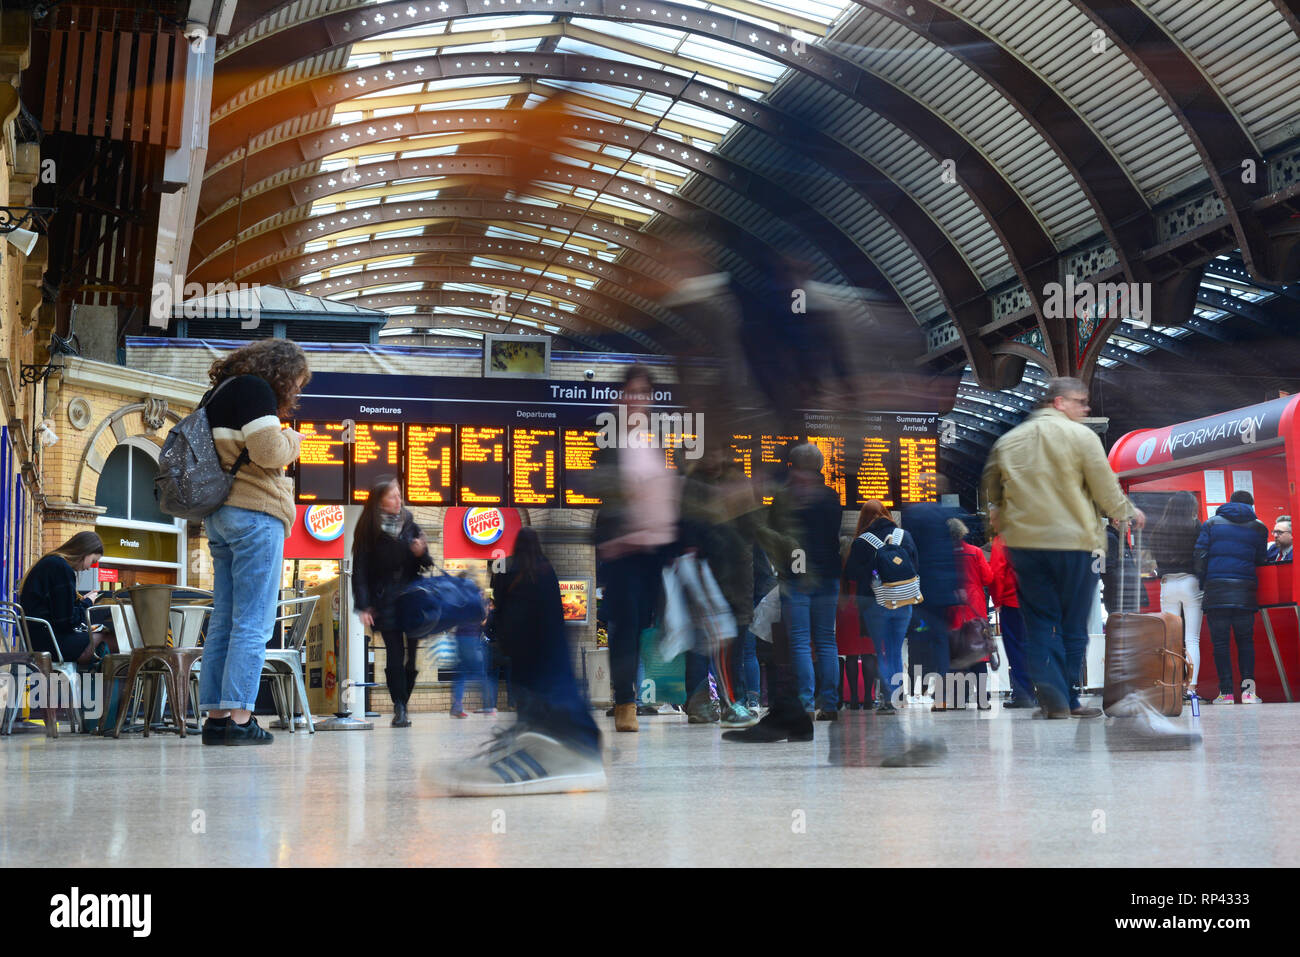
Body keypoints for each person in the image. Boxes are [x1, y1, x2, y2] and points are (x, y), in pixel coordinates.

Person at [981, 377, 1142, 719]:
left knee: (1039, 623)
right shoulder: (1081, 436)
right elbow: (1104, 485)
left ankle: (1051, 695)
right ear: (1059, 403)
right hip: (1074, 545)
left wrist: (1003, 518)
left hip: (1025, 546)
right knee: (1073, 624)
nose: (1085, 409)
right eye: (1080, 402)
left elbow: (992, 493)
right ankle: (1068, 697)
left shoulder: (1008, 442)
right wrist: (1126, 513)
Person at [199, 339, 309, 745]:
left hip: (220, 514)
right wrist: (294, 439)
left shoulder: (218, 393)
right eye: (296, 383)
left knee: (225, 623)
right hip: (255, 513)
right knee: (254, 622)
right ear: (281, 373)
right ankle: (241, 718)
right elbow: (268, 451)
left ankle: (216, 718)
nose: (295, 392)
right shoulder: (256, 391)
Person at [451, 527, 605, 794]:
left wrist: (500, 633)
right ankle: (556, 742)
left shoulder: (511, 570)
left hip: (519, 648)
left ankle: (551, 745)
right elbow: (553, 612)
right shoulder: (545, 570)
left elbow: (500, 605)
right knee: (545, 687)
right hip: (547, 647)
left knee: (525, 688)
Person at [593, 365, 681, 733]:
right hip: (621, 550)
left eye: (644, 394)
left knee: (647, 623)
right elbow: (602, 486)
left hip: (652, 551)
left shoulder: (655, 442)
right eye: (632, 393)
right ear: (621, 398)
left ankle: (639, 695)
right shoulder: (610, 441)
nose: (637, 400)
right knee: (624, 626)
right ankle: (625, 701)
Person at [768, 442, 843, 719]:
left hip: (796, 574)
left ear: (792, 465)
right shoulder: (832, 497)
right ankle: (831, 704)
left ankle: (806, 703)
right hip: (828, 574)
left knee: (800, 640)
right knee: (826, 639)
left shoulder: (785, 497)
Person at [352, 475, 434, 728]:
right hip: (385, 601)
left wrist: (422, 553)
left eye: (399, 494)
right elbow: (360, 571)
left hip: (412, 600)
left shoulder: (410, 524)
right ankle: (399, 707)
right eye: (392, 496)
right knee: (395, 655)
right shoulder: (369, 529)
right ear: (379, 501)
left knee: (412, 658)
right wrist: (364, 605)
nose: (399, 499)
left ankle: (402, 702)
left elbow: (426, 563)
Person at [842, 500, 919, 714]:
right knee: (895, 651)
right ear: (886, 514)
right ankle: (896, 696)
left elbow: (851, 574)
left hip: (875, 604)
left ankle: (887, 700)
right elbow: (915, 567)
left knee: (881, 652)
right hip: (904, 602)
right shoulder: (905, 536)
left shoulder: (861, 542)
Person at [1194, 489, 1268, 704]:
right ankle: (1248, 693)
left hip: (1216, 589)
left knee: (1220, 644)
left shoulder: (1211, 524)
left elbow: (1199, 555)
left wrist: (1204, 581)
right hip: (1244, 591)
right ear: (1251, 506)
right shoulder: (1259, 527)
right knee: (1246, 642)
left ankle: (1225, 693)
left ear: (1230, 502)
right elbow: (1261, 558)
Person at [18, 531, 108, 665]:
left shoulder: (51, 563)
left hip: (35, 638)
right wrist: (88, 602)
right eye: (93, 561)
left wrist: (82, 602)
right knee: (110, 638)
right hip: (49, 641)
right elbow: (66, 621)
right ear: (85, 552)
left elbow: (60, 611)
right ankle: (109, 684)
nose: (90, 568)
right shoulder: (61, 568)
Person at [1150, 491, 1203, 699]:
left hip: (1167, 583)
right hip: (1191, 582)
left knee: (1171, 638)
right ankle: (1191, 688)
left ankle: (1172, 687)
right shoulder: (1196, 526)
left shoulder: (1159, 528)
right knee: (1192, 638)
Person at [988, 514, 1034, 708]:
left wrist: (997, 600)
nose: (991, 522)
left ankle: (1024, 694)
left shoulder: (1002, 541)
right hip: (1034, 604)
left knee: (1016, 648)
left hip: (1012, 603)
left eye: (993, 518)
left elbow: (997, 574)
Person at [450, 574, 496, 718]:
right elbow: (482, 617)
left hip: (460, 638)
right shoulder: (476, 598)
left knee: (461, 673)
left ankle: (457, 707)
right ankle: (488, 705)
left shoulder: (460, 597)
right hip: (471, 639)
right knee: (480, 672)